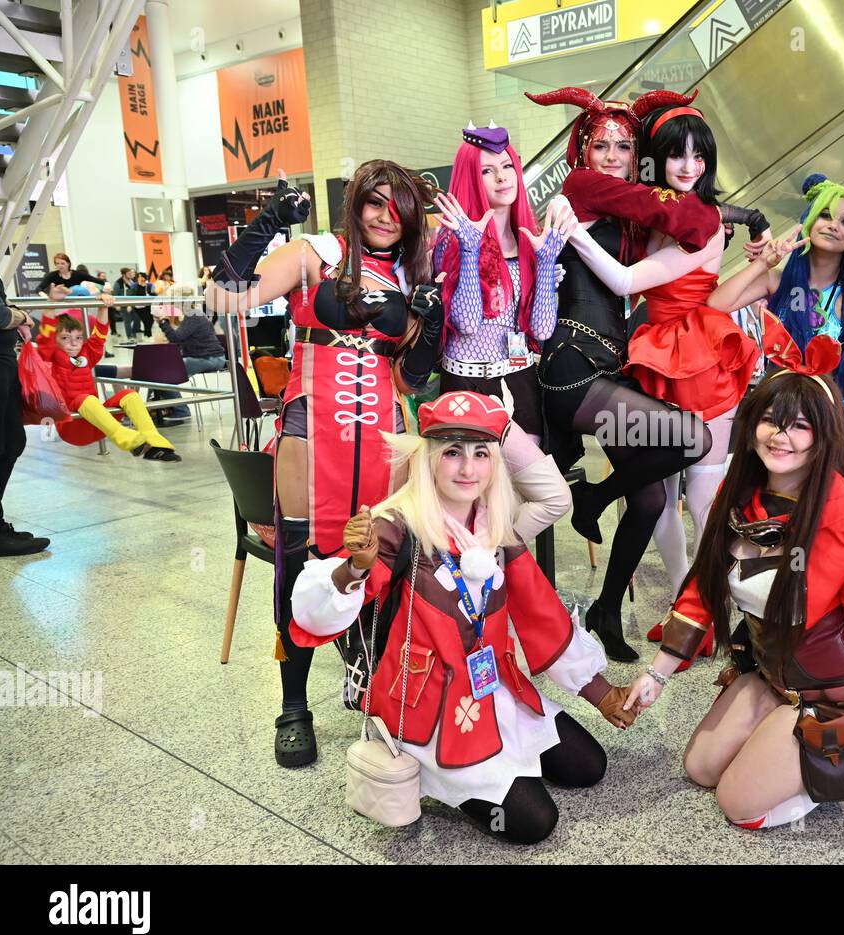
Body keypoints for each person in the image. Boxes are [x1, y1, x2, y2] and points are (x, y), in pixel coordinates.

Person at [291, 391, 639, 844]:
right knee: (535, 823)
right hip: (426, 704)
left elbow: (541, 615)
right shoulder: (395, 527)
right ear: (429, 459)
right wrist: (353, 566)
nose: (468, 468)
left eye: (480, 454)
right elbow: (319, 618)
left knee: (588, 767)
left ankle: (491, 764)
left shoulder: (492, 525)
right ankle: (428, 773)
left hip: (492, 687)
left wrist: (600, 693)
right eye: (452, 452)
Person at [623, 347, 844, 829]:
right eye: (770, 420)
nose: (780, 436)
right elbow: (703, 589)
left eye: (800, 426)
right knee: (700, 768)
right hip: (773, 674)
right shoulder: (737, 493)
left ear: (823, 437)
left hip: (837, 694)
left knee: (739, 805)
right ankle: (779, 736)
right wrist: (656, 675)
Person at [207, 163, 444, 768]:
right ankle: (293, 706)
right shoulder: (314, 251)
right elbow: (226, 293)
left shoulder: (415, 272)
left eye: (399, 206)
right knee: (299, 554)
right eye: (374, 202)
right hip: (311, 425)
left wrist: (430, 325)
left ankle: (367, 669)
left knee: (382, 551)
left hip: (384, 431)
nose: (386, 215)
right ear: (353, 205)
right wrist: (267, 222)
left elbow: (410, 379)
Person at [525, 86, 723, 661]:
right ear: (581, 151)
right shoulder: (582, 189)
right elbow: (676, 215)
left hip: (607, 369)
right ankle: (589, 499)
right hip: (572, 369)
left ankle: (606, 609)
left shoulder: (624, 204)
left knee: (649, 502)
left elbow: (671, 219)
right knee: (691, 437)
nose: (611, 153)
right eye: (601, 143)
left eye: (623, 144)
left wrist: (725, 219)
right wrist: (713, 215)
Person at [562, 94, 761, 641]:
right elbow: (646, 210)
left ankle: (740, 610)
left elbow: (630, 282)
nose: (689, 166)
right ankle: (684, 605)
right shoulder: (652, 212)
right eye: (677, 156)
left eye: (700, 157)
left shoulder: (701, 220)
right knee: (660, 491)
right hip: (648, 354)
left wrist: (572, 233)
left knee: (704, 494)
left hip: (695, 357)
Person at [430, 124, 575, 542]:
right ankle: (482, 571)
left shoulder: (532, 239)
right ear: (470, 180)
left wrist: (546, 264)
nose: (502, 177)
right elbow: (469, 323)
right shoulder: (454, 239)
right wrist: (471, 248)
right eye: (488, 171)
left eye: (507, 166)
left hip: (521, 383)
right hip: (470, 390)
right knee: (503, 504)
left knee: (507, 506)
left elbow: (543, 330)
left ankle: (490, 578)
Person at [709, 172, 844, 412]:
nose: (833, 225)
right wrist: (762, 264)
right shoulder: (777, 280)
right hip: (775, 408)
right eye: (825, 215)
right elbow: (716, 304)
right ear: (808, 220)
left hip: (828, 417)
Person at [34, 287, 180, 461]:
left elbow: (99, 335)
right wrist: (51, 304)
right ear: (56, 340)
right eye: (65, 338)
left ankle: (155, 443)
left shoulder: (87, 353)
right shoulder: (53, 356)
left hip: (98, 422)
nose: (73, 343)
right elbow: (45, 337)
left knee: (129, 395)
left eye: (78, 338)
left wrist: (103, 306)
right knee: (85, 399)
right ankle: (130, 441)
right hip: (72, 426)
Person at [0, 277, 49, 556]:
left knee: (12, 442)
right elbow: (2, 314)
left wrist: (14, 314)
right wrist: (18, 315)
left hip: (5, 361)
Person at [150, 289, 228, 423]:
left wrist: (163, 323)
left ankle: (180, 411)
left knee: (162, 373)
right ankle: (159, 407)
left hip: (209, 359)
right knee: (159, 371)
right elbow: (181, 338)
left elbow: (176, 337)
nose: (172, 305)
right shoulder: (193, 315)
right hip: (207, 357)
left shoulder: (194, 316)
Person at [36, 253, 105, 295]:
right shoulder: (52, 275)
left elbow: (95, 279)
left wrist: (106, 284)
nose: (60, 265)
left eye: (62, 263)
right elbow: (39, 288)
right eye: (57, 263)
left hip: (76, 302)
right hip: (61, 302)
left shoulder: (78, 274)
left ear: (68, 263)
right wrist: (45, 297)